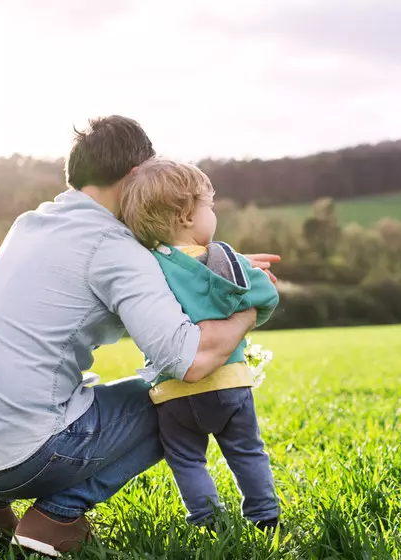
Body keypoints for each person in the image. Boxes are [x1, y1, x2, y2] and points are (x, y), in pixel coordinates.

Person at [0, 116, 280, 556]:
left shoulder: (32, 224)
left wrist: (215, 263)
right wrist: (249, 307)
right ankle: (56, 515)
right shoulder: (115, 248)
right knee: (175, 401)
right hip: (17, 456)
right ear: (135, 177)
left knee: (30, 384)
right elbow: (190, 362)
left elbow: (156, 271)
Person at [119, 159, 281, 529]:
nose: (214, 213)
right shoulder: (225, 260)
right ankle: (265, 517)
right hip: (228, 382)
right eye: (209, 205)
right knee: (246, 452)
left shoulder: (145, 268)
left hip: (171, 391)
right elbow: (266, 296)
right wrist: (245, 318)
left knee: (187, 460)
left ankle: (207, 520)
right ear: (186, 216)